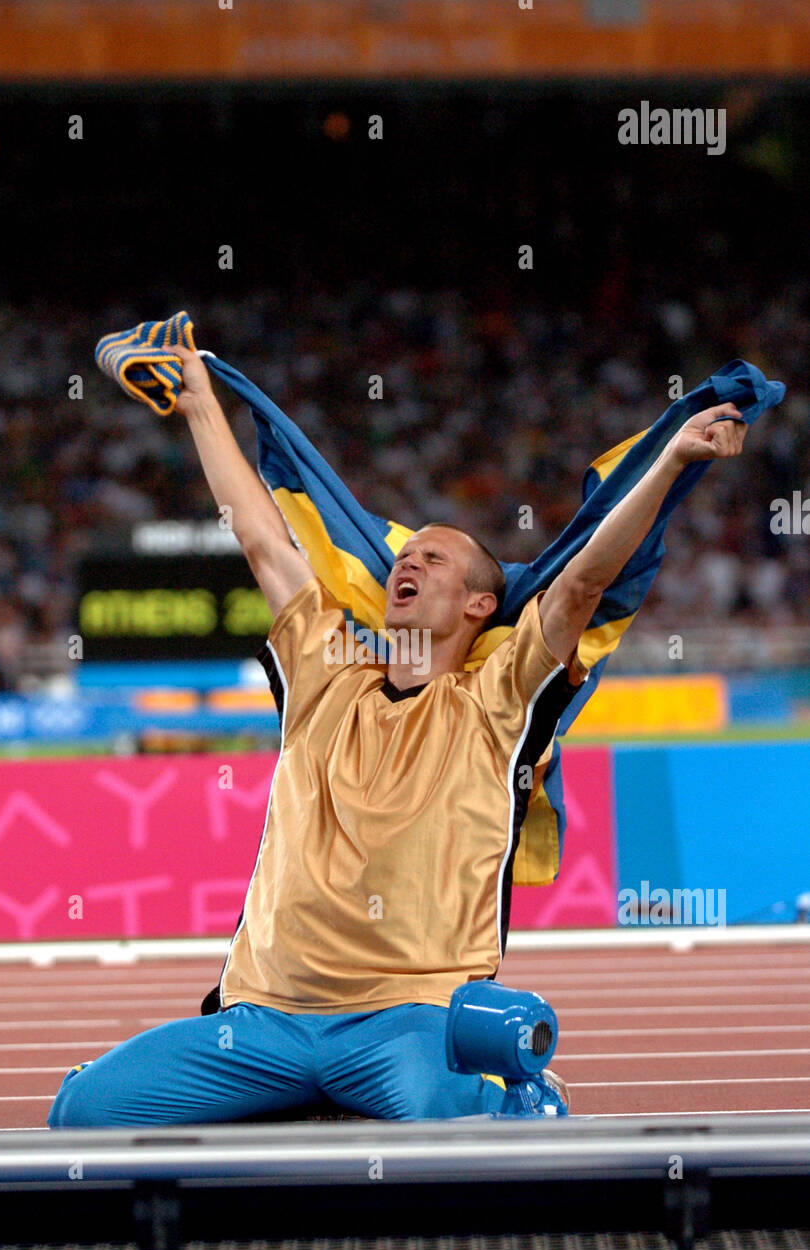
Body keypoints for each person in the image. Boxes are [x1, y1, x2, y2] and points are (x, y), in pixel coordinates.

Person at [48, 345, 747, 1126]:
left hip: (405, 1019)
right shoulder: (323, 677)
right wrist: (201, 401)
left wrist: (673, 461)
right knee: (80, 1113)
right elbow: (262, 540)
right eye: (402, 558)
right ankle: (309, 1096)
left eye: (433, 558)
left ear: (482, 605)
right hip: (263, 1021)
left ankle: (512, 1094)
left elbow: (582, 581)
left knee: (457, 1133)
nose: (405, 564)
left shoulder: (499, 700)